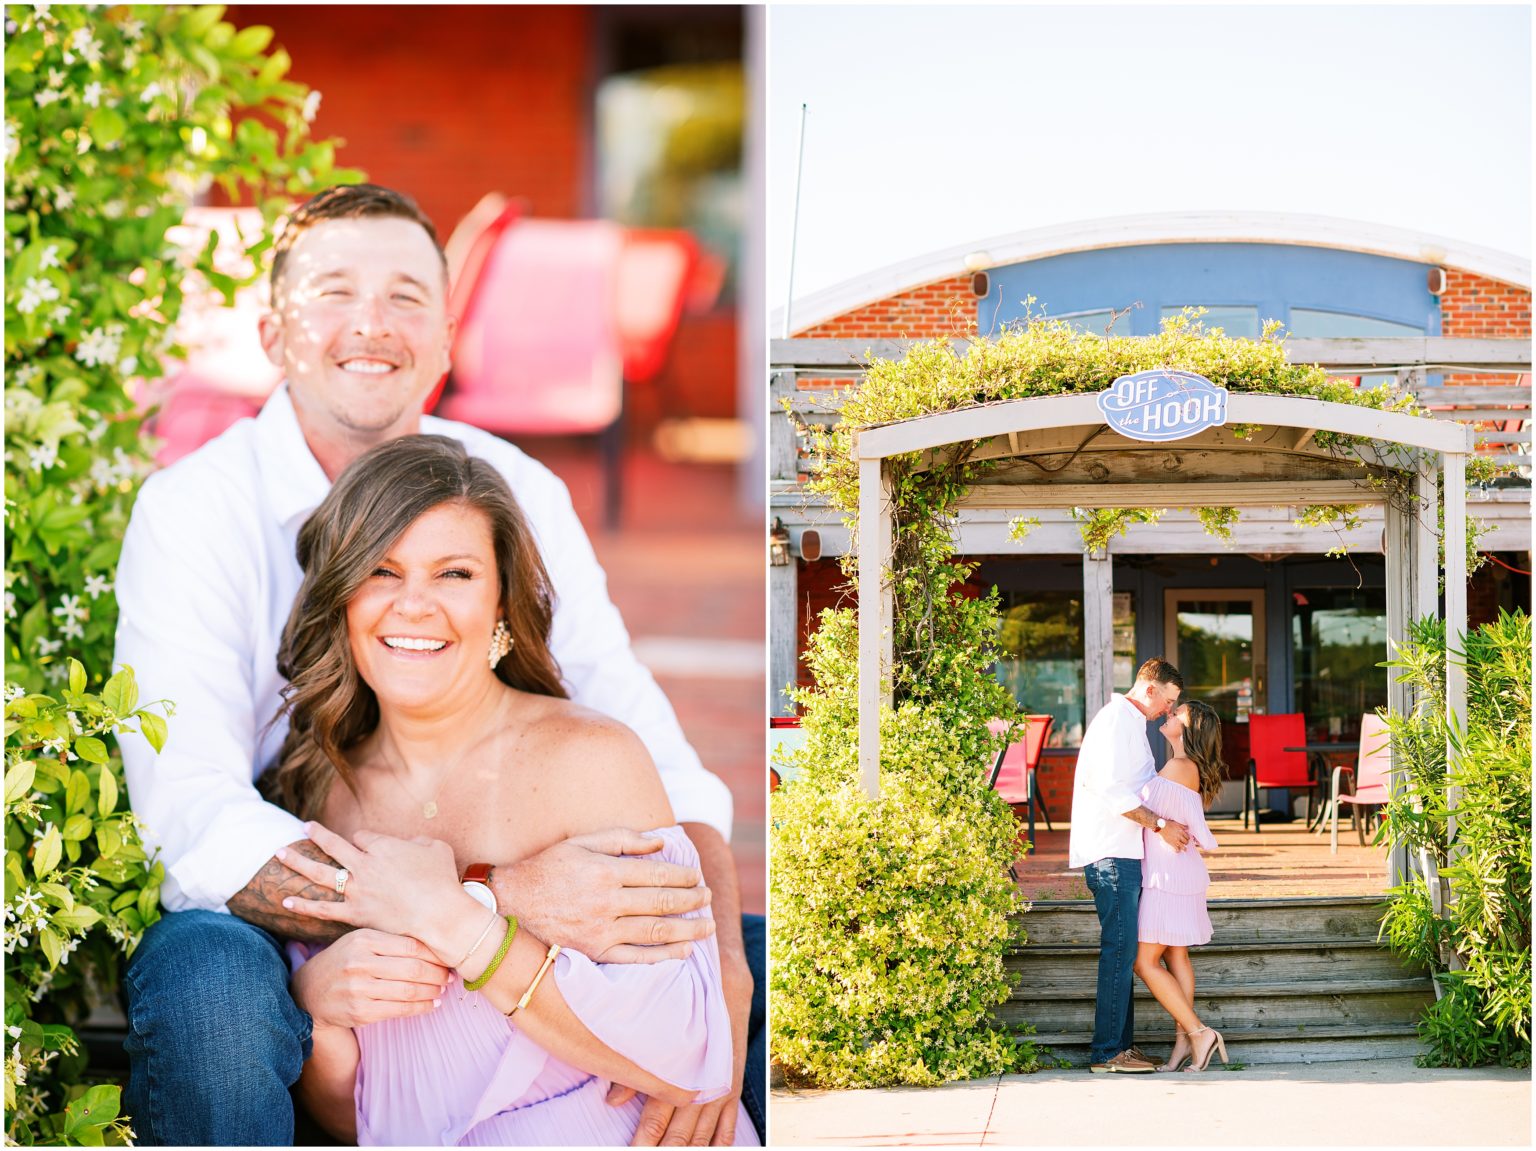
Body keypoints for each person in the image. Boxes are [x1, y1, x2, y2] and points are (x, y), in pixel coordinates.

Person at [115, 184, 762, 1145]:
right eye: (335, 292)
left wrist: (727, 967)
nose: (372, 323)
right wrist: (487, 897)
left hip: (462, 877)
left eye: (408, 296)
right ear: (272, 335)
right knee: (209, 987)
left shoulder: (516, 487)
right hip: (273, 906)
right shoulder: (193, 513)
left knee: (750, 961)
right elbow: (195, 820)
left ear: (450, 340)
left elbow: (657, 752)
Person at [264, 433, 756, 1144]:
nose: (413, 604)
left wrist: (456, 920)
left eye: (454, 573)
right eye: (381, 570)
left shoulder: (591, 760)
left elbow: (689, 1060)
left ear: (501, 603)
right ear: (340, 597)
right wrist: (315, 1003)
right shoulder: (317, 790)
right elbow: (364, 1119)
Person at [1067, 656, 1189, 1074]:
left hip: (1124, 852)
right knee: (1119, 951)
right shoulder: (1117, 721)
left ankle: (1122, 1047)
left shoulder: (1131, 724)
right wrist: (1161, 826)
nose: (1168, 710)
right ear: (1150, 688)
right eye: (1167, 700)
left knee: (1125, 951)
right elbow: (1109, 789)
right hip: (1111, 853)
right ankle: (1107, 1053)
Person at [1133, 699, 1226, 1073]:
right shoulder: (1184, 767)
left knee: (1144, 962)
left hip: (1168, 876)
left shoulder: (1179, 767)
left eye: (1177, 714)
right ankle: (1184, 1044)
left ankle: (1199, 1032)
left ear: (1190, 729)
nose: (1169, 714)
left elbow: (1140, 811)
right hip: (1177, 871)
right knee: (1176, 956)